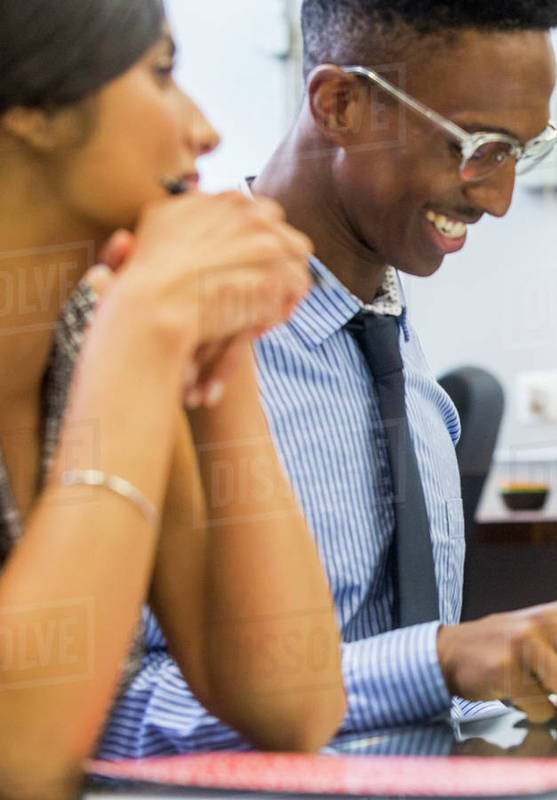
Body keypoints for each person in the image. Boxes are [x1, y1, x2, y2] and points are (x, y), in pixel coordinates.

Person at [103, 0, 557, 756]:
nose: (497, 198)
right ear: (341, 105)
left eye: (519, 153)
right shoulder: (170, 352)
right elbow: (105, 709)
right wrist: (435, 663)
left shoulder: (404, 370)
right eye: (479, 147)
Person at [0, 0, 346, 791]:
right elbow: (15, 757)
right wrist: (147, 328)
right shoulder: (120, 334)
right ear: (32, 110)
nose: (205, 131)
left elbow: (291, 703)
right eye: (161, 74)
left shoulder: (85, 330)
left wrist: (217, 346)